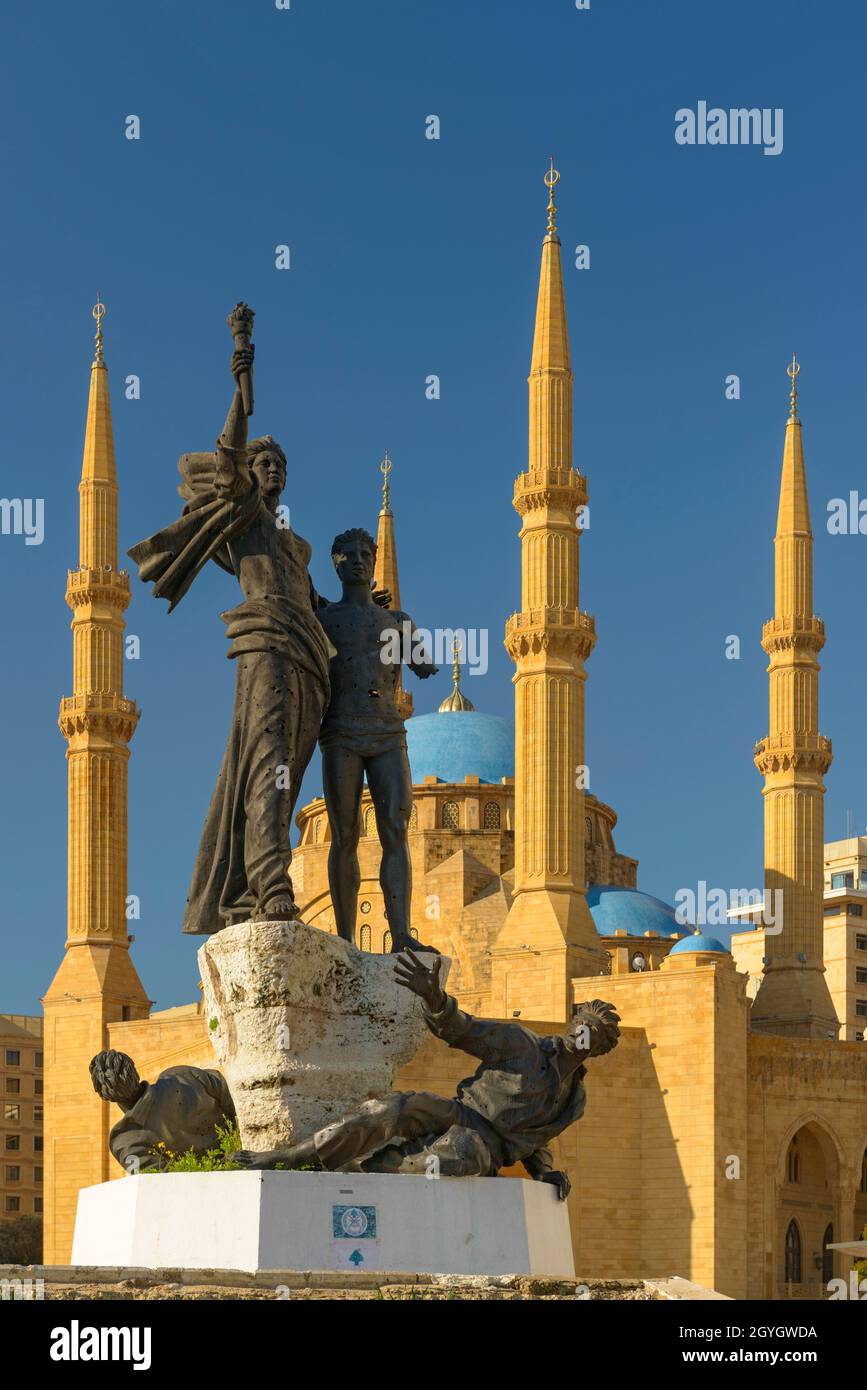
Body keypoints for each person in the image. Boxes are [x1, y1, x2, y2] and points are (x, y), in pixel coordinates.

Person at [128, 342, 333, 932]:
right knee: (263, 759)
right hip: (265, 642)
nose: (273, 471)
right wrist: (243, 384)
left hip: (308, 658)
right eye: (264, 464)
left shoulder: (294, 547)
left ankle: (250, 881)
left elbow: (318, 606)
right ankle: (270, 884)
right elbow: (229, 453)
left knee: (286, 771)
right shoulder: (244, 515)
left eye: (280, 467)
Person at [235, 951, 621, 1196]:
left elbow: (535, 1139)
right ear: (573, 1022)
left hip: (488, 1146)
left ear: (599, 1050)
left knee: (456, 1157)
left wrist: (545, 1173)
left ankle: (363, 1171)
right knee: (393, 1108)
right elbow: (463, 1030)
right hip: (461, 1112)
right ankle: (292, 1157)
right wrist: (435, 998)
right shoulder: (522, 1044)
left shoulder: (574, 1100)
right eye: (582, 1023)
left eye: (594, 1035)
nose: (582, 1034)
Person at [317, 529, 437, 952]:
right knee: (345, 833)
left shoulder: (396, 623)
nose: (358, 560)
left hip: (387, 730)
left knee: (394, 830)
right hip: (340, 731)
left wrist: (406, 632)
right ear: (335, 563)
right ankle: (346, 938)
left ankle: (401, 933)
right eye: (348, 554)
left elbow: (425, 666)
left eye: (366, 553)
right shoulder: (323, 619)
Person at [89, 1050, 236, 1173]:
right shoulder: (182, 1076)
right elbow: (240, 1102)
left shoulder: (125, 1141)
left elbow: (159, 1182)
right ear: (134, 1072)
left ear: (105, 1096)